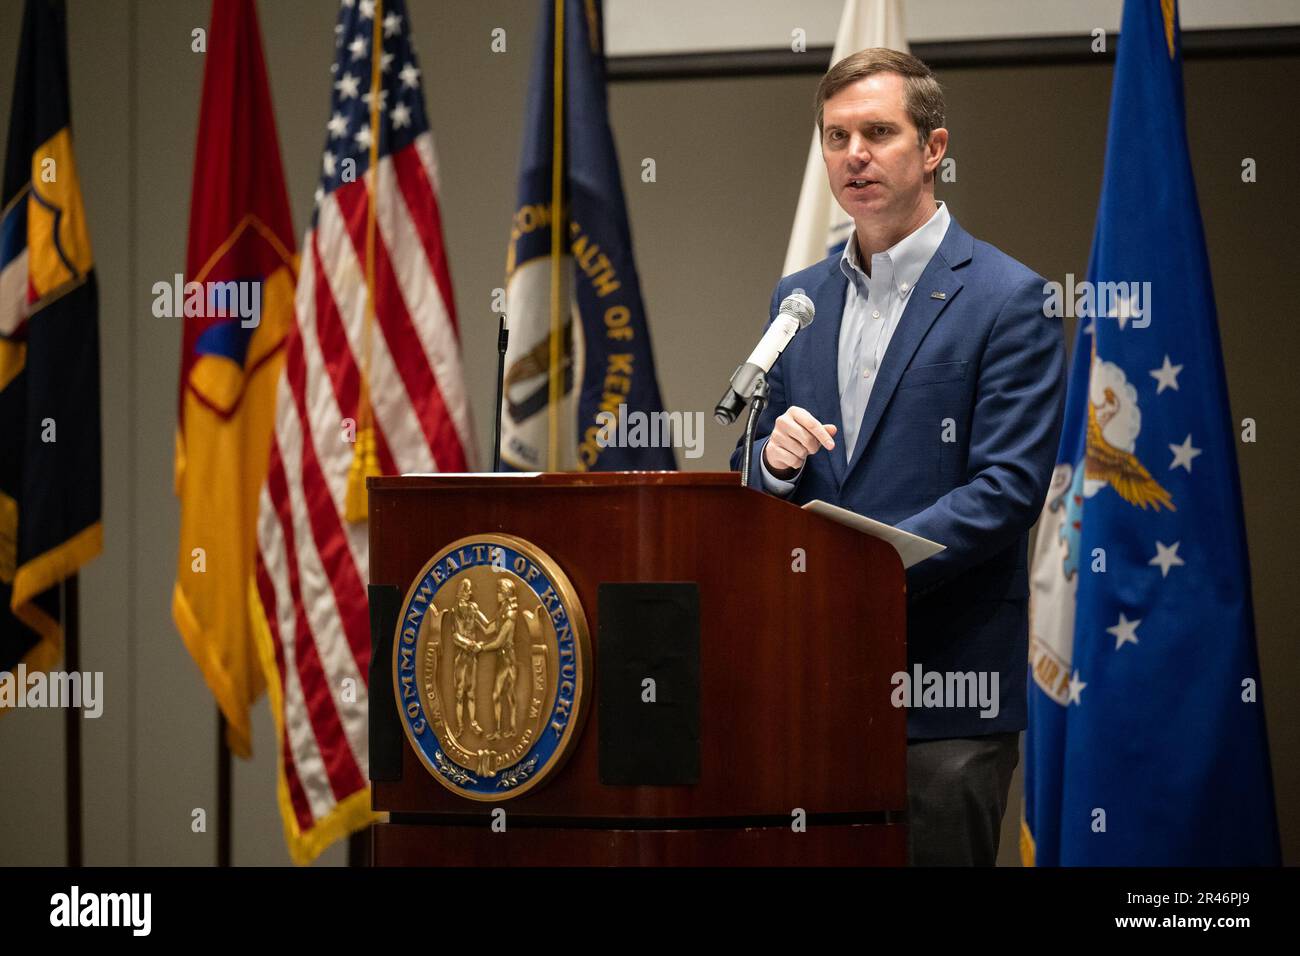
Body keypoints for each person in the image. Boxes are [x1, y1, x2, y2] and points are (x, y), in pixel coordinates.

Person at [731, 48, 1066, 865]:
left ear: (935, 149)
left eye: (879, 132)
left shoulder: (1008, 298)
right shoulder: (798, 298)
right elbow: (758, 477)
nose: (855, 154)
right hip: (813, 693)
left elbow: (1007, 489)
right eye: (837, 136)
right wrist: (771, 464)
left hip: (946, 698)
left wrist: (862, 571)